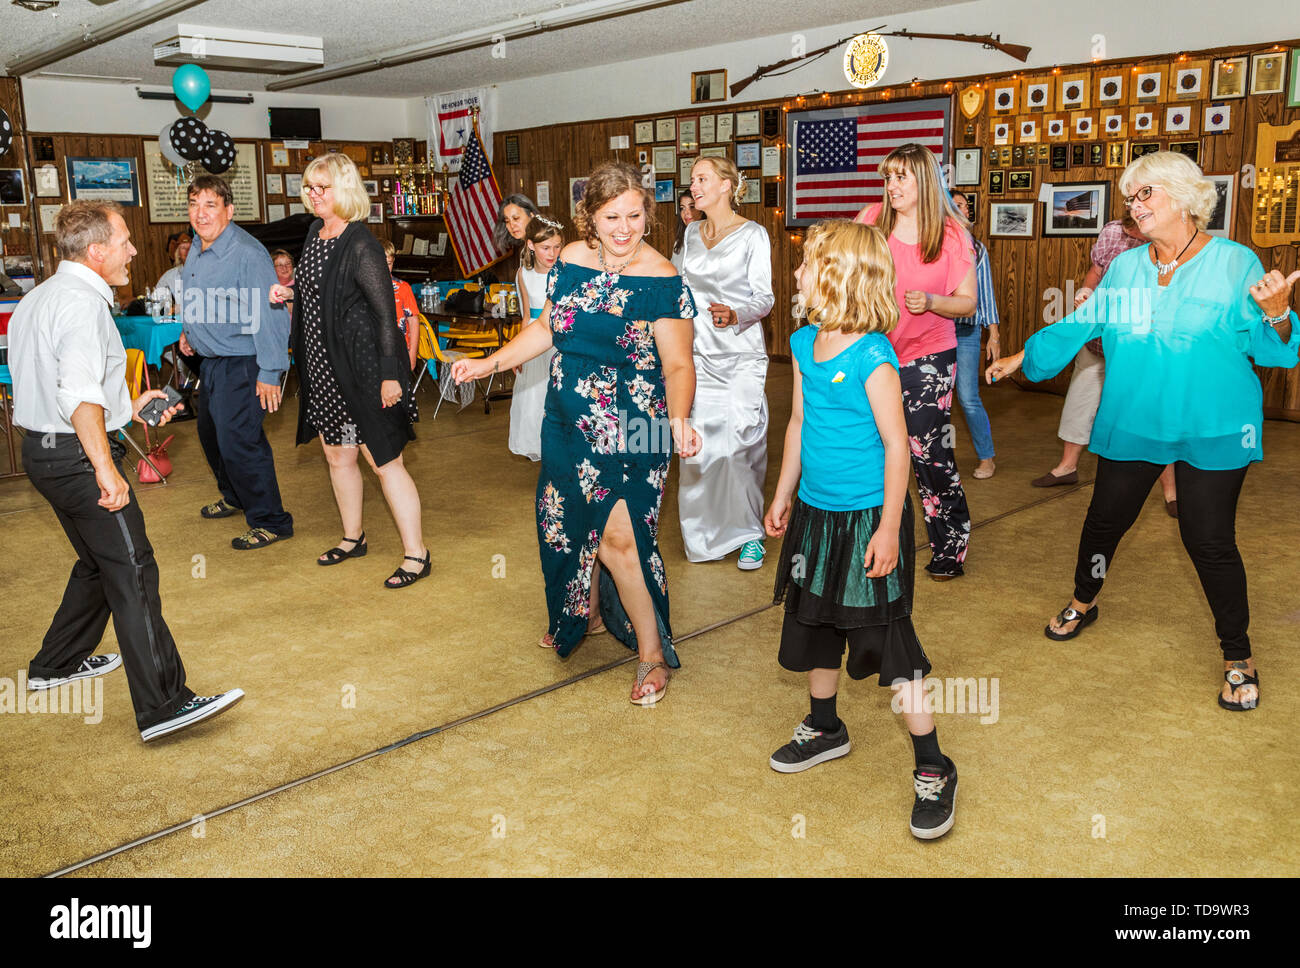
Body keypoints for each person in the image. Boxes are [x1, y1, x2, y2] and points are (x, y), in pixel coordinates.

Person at [986, 151, 1299, 710]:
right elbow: (1086, 321)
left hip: (1214, 426)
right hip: (1137, 420)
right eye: (1131, 196)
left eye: (1145, 193)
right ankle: (1085, 599)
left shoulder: (1235, 264)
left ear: (1183, 196)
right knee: (1105, 521)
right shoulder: (1129, 267)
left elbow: (1274, 349)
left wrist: (1278, 314)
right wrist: (1023, 355)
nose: (1134, 204)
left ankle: (1238, 654)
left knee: (1208, 540)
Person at [452, 162, 700, 704]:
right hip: (569, 420)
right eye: (612, 216)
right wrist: (488, 363)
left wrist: (679, 419)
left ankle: (653, 654)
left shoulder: (661, 278)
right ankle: (581, 614)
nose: (623, 227)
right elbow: (546, 327)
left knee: (621, 538)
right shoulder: (569, 261)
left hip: (638, 424)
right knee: (566, 520)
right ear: (590, 215)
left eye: (635, 215)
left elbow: (679, 365)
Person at [9, 200, 243, 742]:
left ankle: (55, 665)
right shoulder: (82, 306)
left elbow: (55, 385)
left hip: (43, 452)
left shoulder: (41, 297)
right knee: (134, 567)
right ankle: (164, 704)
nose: (133, 250)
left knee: (98, 563)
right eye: (123, 241)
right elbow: (76, 396)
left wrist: (128, 409)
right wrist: (104, 469)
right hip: (76, 456)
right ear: (96, 252)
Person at [765, 220, 957, 839]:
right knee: (815, 619)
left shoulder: (874, 355)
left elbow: (899, 449)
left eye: (806, 263)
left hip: (870, 520)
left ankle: (933, 765)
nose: (796, 273)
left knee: (889, 645)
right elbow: (796, 423)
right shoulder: (802, 342)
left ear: (839, 275)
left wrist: (888, 528)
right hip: (817, 517)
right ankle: (825, 725)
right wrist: (783, 491)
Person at [272, 152, 428, 588]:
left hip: (364, 372)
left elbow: (384, 315)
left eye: (323, 187)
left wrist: (391, 374)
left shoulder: (362, 244)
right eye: (310, 188)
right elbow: (321, 295)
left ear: (345, 190)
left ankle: (417, 553)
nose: (314, 195)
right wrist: (288, 294)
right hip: (325, 371)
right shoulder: (314, 234)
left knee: (384, 462)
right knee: (338, 456)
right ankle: (352, 536)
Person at [855, 144, 976, 580]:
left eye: (901, 177)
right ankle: (873, 538)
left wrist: (932, 301)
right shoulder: (870, 222)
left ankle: (950, 542)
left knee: (928, 451)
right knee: (870, 446)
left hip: (929, 356)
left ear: (924, 181)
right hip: (873, 353)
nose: (891, 186)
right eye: (888, 178)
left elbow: (967, 304)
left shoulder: (951, 235)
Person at [1033, 214, 1180, 516]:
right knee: (1080, 398)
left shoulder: (1169, 236)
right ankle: (1067, 466)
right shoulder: (1113, 231)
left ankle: (1171, 491)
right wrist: (1086, 294)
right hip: (1097, 336)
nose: (1137, 209)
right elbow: (1096, 271)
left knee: (1153, 411)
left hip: (1138, 344)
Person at [178, 174, 294, 549]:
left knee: (240, 441)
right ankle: (235, 496)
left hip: (244, 361)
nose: (201, 213)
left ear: (229, 210)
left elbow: (270, 312)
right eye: (194, 204)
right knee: (211, 436)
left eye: (210, 205)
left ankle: (270, 520)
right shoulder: (196, 245)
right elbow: (199, 293)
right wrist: (189, 331)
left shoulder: (247, 252)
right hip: (212, 362)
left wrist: (270, 372)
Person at [677, 156, 774, 569]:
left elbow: (764, 297)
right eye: (693, 180)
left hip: (740, 356)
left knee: (740, 445)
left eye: (702, 179)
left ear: (725, 186)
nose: (694, 186)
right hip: (697, 354)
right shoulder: (690, 233)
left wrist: (735, 313)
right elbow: (677, 289)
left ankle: (750, 533)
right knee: (700, 447)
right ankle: (704, 534)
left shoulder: (754, 235)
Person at [948, 191, 998, 480]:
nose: (963, 210)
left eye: (965, 206)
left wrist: (994, 334)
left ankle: (986, 457)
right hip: (936, 330)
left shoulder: (976, 248)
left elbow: (986, 293)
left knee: (968, 397)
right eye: (956, 205)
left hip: (967, 331)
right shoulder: (933, 247)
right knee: (934, 398)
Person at [508, 215, 563, 461]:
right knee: (534, 400)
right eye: (545, 248)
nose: (552, 253)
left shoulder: (565, 272)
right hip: (534, 337)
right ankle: (542, 448)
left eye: (557, 246)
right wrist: (518, 351)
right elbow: (527, 315)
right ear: (531, 245)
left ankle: (562, 447)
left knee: (558, 397)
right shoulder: (524, 274)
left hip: (559, 338)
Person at [380, 238, 420, 373]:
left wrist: (413, 354)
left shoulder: (403, 288)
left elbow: (414, 321)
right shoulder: (364, 288)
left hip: (400, 350)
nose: (385, 268)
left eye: (389, 263)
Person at [156, 233, 191, 312]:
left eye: (191, 248)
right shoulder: (169, 276)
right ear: (178, 254)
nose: (188, 251)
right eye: (183, 247)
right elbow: (156, 301)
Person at [670, 188, 701, 271]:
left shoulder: (709, 239)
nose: (686, 212)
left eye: (691, 207)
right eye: (682, 208)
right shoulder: (679, 241)